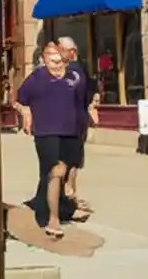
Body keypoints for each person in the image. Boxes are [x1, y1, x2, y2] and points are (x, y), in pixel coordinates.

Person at [14, 41, 89, 238]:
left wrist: (88, 119)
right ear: (44, 59)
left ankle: (58, 207)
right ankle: (52, 219)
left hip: (72, 132)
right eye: (50, 57)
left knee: (63, 172)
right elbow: (19, 99)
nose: (55, 62)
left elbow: (82, 102)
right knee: (55, 171)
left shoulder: (75, 77)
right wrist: (26, 113)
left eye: (58, 57)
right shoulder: (37, 78)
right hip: (46, 132)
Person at [57, 36, 100, 212]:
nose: (59, 54)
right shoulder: (80, 70)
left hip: (68, 123)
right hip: (76, 121)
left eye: (61, 51)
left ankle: (67, 196)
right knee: (72, 160)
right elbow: (91, 95)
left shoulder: (71, 72)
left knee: (66, 161)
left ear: (71, 52)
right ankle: (68, 195)